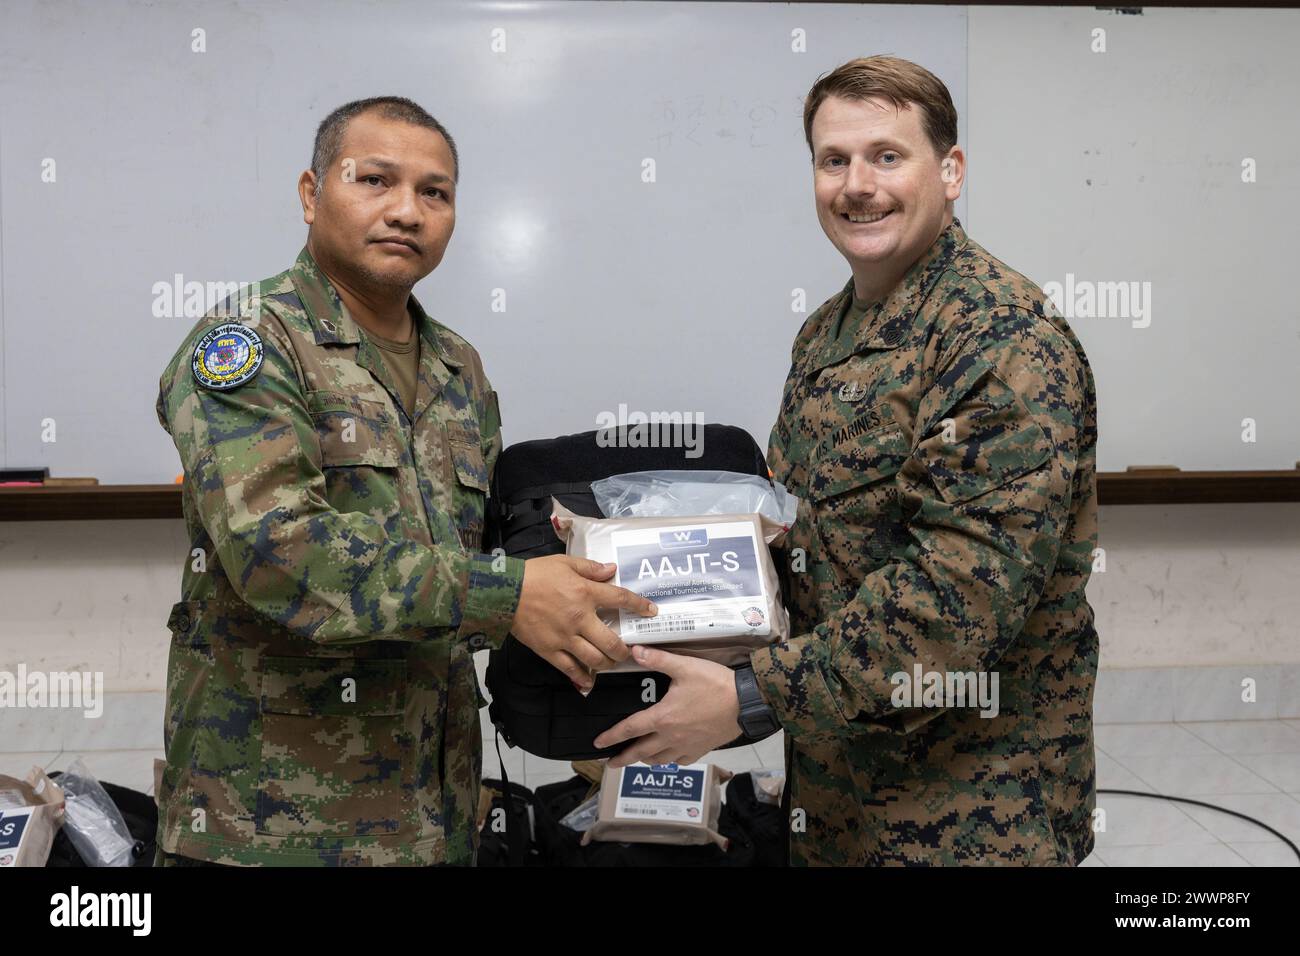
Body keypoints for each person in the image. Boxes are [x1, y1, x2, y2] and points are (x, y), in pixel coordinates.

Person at [596, 56, 1099, 866]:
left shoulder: (999, 338)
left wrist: (750, 698)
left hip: (970, 815)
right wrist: (662, 586)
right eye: (835, 160)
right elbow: (816, 538)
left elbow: (957, 599)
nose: (857, 184)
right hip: (838, 797)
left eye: (887, 156)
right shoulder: (828, 332)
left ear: (952, 170)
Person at [154, 96, 655, 866]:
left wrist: (634, 606)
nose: (407, 211)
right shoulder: (250, 342)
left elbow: (482, 561)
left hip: (433, 813)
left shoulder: (459, 367)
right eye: (375, 180)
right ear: (310, 194)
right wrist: (512, 592)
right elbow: (277, 553)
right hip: (270, 827)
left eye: (435, 192)